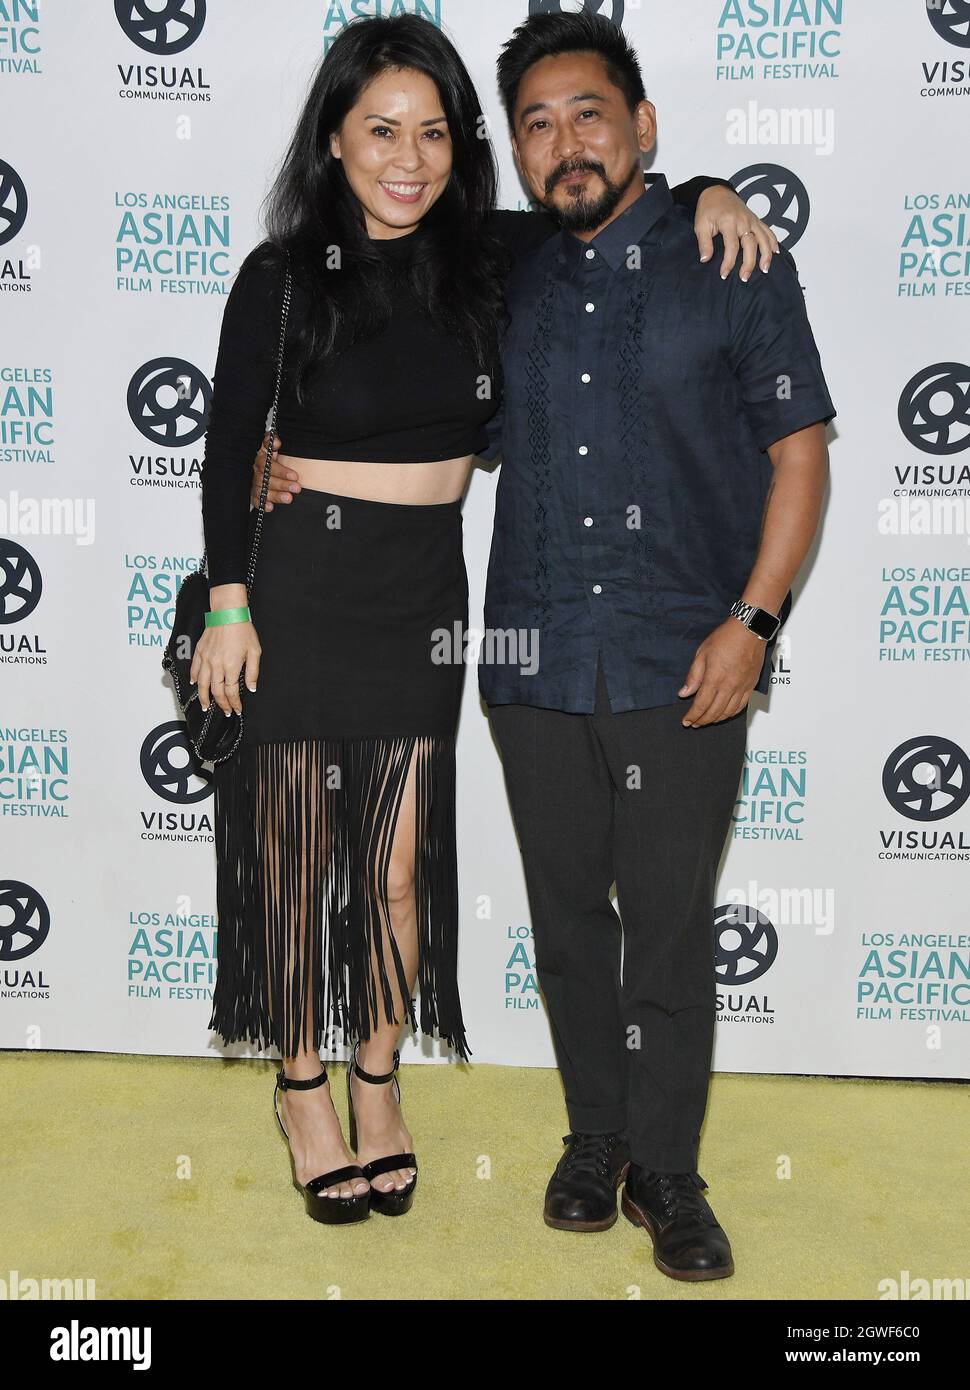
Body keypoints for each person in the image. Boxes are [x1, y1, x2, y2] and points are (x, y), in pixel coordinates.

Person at [222, 15, 776, 1223]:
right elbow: (227, 449)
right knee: (298, 861)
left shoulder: (483, 254)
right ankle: (302, 1086)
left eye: (431, 130)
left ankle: (380, 1080)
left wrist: (713, 188)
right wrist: (228, 600)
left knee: (401, 878)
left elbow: (611, 198)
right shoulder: (280, 274)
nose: (406, 156)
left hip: (424, 597)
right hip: (303, 593)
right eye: (379, 130)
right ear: (332, 138)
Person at [479, 11, 835, 1279]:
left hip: (685, 655)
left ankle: (668, 1175)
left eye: (588, 112)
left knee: (671, 927)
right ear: (514, 151)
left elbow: (800, 455)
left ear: (640, 126)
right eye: (536, 122)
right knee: (568, 917)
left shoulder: (728, 257)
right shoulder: (499, 268)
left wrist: (753, 620)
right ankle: (594, 1139)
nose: (565, 141)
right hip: (531, 655)